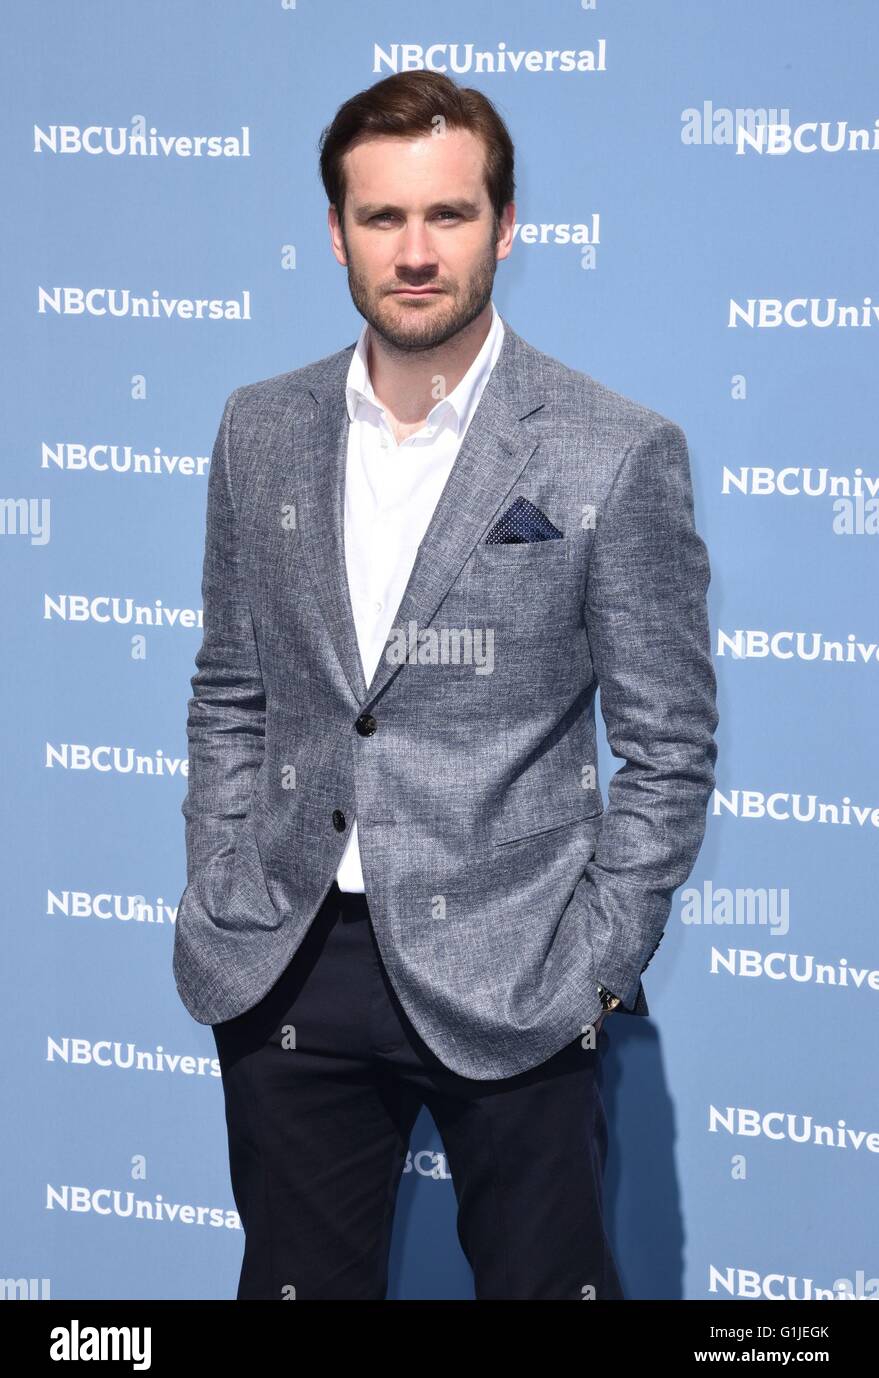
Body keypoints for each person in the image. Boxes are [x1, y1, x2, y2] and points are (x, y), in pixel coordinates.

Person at [173, 69, 719, 1300]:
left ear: (506, 226)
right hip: (290, 957)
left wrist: (597, 952)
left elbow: (668, 744)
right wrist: (221, 873)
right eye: (382, 218)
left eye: (450, 215)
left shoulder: (611, 448)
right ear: (335, 232)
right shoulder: (258, 427)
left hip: (518, 967)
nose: (415, 253)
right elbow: (231, 684)